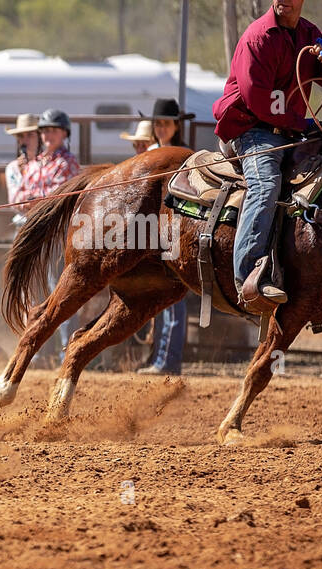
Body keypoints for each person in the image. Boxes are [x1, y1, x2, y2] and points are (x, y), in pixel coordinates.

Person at [214, 0, 322, 305]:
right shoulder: (257, 37)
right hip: (251, 130)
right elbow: (257, 100)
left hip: (289, 130)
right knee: (265, 185)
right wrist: (300, 123)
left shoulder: (309, 35)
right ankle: (249, 274)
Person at [17, 108, 82, 361]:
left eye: (53, 130)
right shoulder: (34, 165)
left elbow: (62, 198)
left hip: (56, 235)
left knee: (60, 290)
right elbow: (19, 196)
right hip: (33, 232)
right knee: (34, 292)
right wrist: (29, 201)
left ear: (64, 133)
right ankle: (36, 351)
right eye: (44, 130)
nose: (48, 135)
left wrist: (35, 200)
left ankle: (69, 350)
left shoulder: (68, 163)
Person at [137, 98, 191, 375]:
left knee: (173, 299)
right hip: (153, 231)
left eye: (165, 123)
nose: (160, 128)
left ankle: (168, 361)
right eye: (157, 123)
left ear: (175, 126)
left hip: (171, 230)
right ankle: (160, 358)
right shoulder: (162, 153)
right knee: (161, 298)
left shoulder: (180, 155)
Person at [4, 113, 40, 228]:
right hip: (22, 222)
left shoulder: (49, 166)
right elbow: (14, 201)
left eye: (30, 135)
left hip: (45, 221)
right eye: (21, 136)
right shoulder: (13, 168)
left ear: (39, 138)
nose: (25, 140)